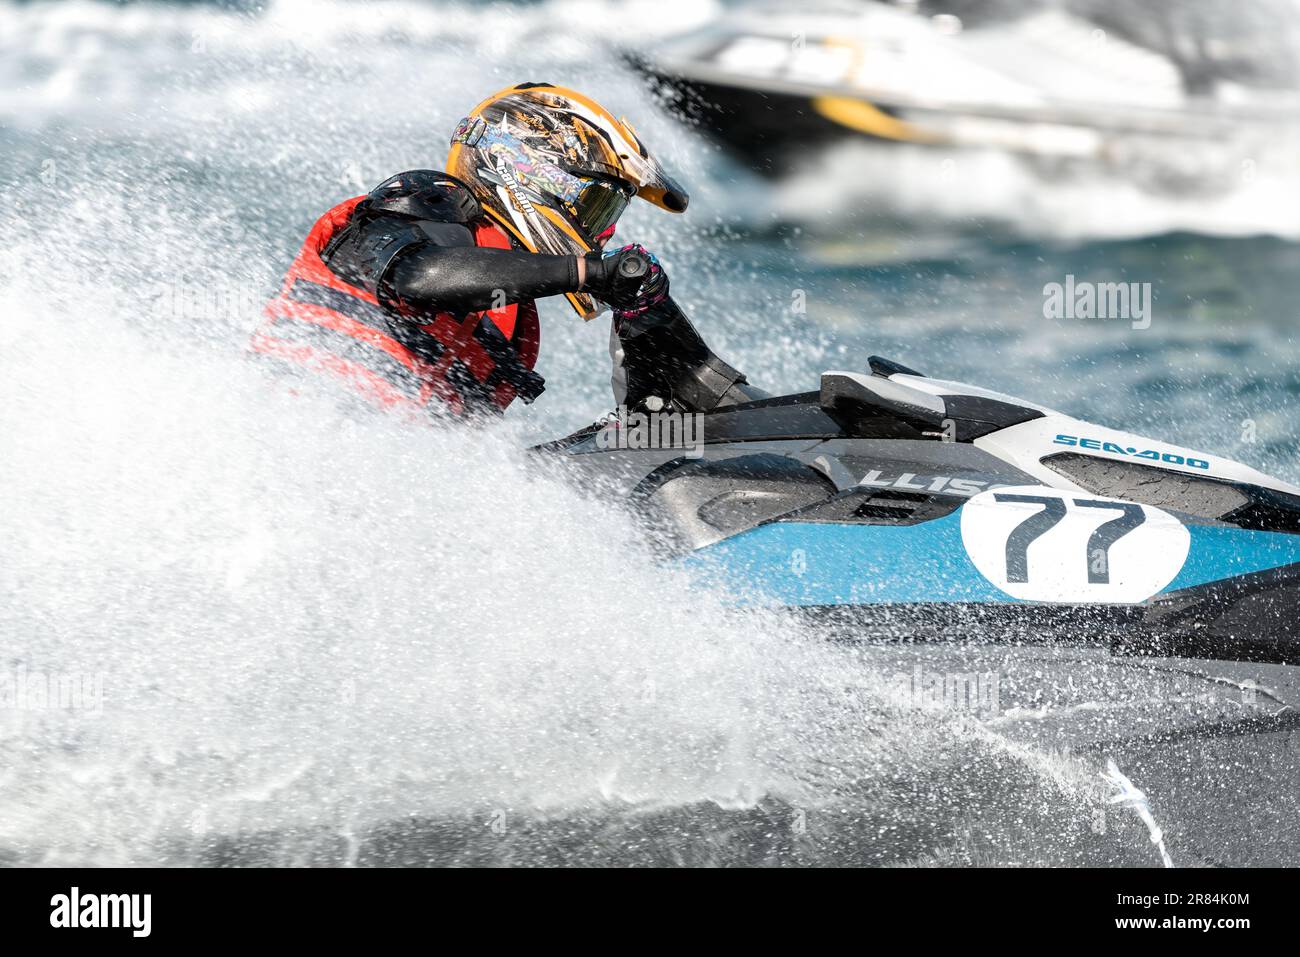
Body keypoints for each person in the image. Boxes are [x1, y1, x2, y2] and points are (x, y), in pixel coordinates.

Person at [249, 82, 760, 418]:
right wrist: (587, 272)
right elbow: (420, 276)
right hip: (285, 443)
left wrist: (647, 316)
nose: (602, 232)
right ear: (531, 170)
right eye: (597, 205)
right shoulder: (416, 207)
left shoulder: (514, 326)